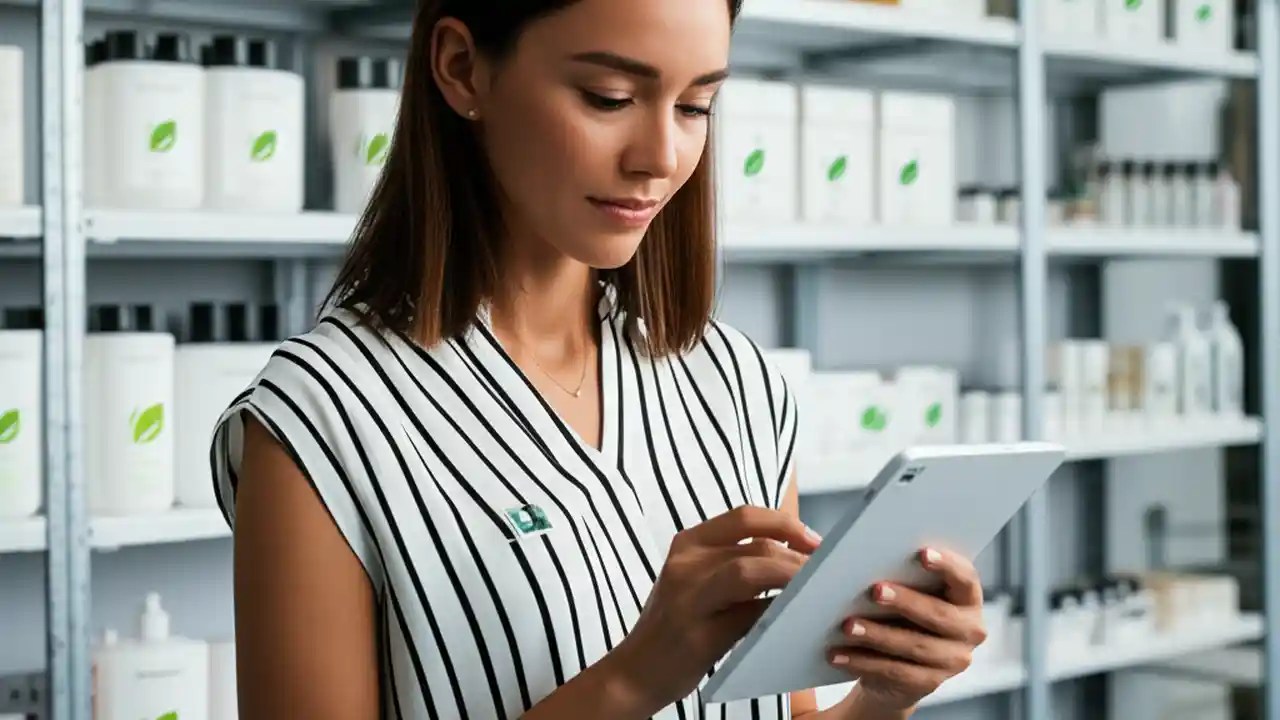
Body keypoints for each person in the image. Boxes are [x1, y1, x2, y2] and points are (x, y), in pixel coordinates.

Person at [210, 0, 989, 718]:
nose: (660, 156)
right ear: (460, 67)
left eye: (695, 107)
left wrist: (883, 694)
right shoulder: (320, 417)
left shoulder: (737, 384)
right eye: (610, 97)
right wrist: (634, 678)